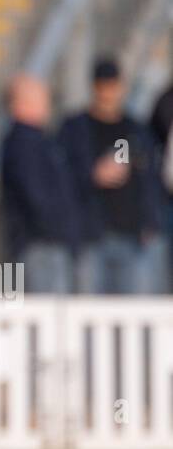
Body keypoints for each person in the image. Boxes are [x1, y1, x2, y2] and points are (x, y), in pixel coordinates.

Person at [58, 58, 165, 295]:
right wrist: (92, 174)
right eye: (103, 86)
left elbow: (150, 179)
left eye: (113, 85)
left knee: (132, 317)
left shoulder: (136, 130)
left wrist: (150, 221)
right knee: (88, 314)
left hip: (132, 237)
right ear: (94, 87)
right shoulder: (75, 128)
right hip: (91, 236)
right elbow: (60, 177)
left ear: (121, 87)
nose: (108, 93)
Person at [0, 74, 80, 293]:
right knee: (47, 314)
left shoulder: (38, 141)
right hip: (40, 244)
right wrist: (58, 229)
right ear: (22, 103)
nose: (47, 105)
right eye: (41, 98)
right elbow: (35, 195)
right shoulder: (23, 144)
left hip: (47, 242)